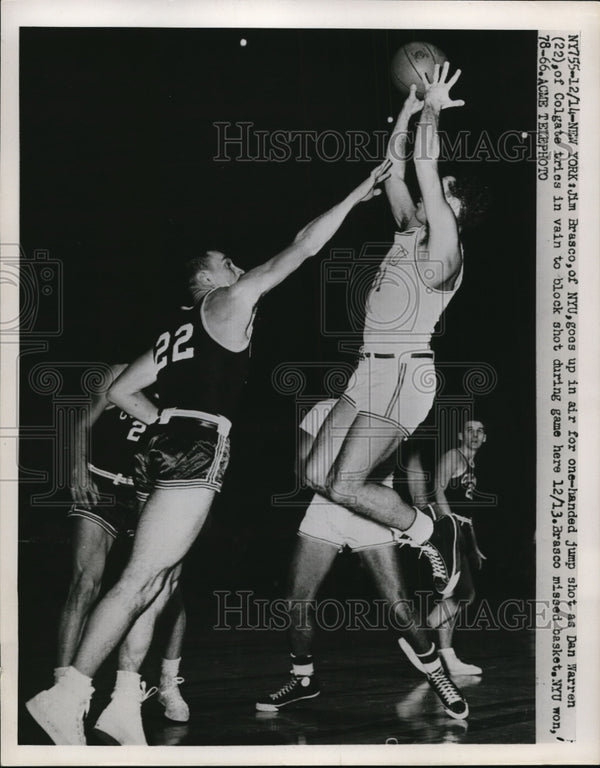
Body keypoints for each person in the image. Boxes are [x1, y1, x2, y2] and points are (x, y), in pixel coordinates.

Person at [26, 159, 392, 745]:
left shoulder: (176, 332)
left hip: (167, 448)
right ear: (207, 278)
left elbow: (121, 391)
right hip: (193, 449)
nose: (239, 267)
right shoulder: (227, 302)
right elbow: (303, 247)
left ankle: (124, 701)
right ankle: (67, 692)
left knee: (162, 580)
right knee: (141, 577)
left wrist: (165, 421)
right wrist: (356, 196)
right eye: (227, 263)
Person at [303, 63, 488, 597]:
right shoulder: (411, 229)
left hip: (404, 375)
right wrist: (406, 114)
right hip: (367, 371)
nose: (433, 193)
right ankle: (427, 530)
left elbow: (426, 164)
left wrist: (432, 105)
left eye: (444, 191)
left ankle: (436, 533)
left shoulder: (446, 245)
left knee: (345, 484)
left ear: (456, 208)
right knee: (316, 476)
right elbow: (396, 173)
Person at [255, 399, 469, 719]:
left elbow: (413, 471)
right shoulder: (325, 409)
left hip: (371, 514)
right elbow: (302, 466)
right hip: (325, 510)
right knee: (296, 602)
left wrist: (413, 516)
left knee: (399, 606)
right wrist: (343, 491)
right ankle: (303, 678)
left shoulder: (392, 410)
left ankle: (437, 674)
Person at [58, 363, 190, 737]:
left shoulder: (190, 380)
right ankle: (63, 691)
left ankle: (167, 683)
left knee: (167, 590)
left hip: (148, 494)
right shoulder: (119, 371)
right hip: (102, 485)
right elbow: (82, 424)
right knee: (85, 582)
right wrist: (76, 469)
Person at [425, 419, 488, 675]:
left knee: (451, 597)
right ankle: (416, 634)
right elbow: (437, 491)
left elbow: (467, 512)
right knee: (465, 595)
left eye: (480, 431)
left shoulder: (472, 464)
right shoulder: (454, 456)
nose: (475, 434)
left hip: (460, 530)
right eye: (470, 430)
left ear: (485, 438)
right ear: (461, 435)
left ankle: (448, 658)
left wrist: (474, 545)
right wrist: (449, 528)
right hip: (447, 530)